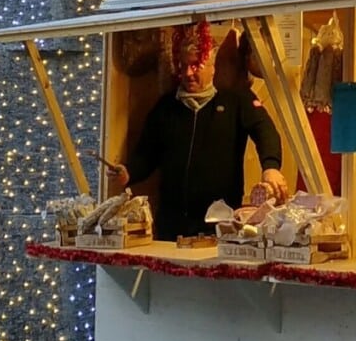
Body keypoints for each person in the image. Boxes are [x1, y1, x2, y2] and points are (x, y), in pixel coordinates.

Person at [113, 51, 287, 240]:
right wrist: (129, 172)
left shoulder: (236, 100)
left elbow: (265, 131)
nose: (188, 73)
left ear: (212, 68)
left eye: (195, 65)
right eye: (183, 65)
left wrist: (271, 167)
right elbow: (147, 153)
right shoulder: (166, 107)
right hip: (171, 226)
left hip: (219, 225)